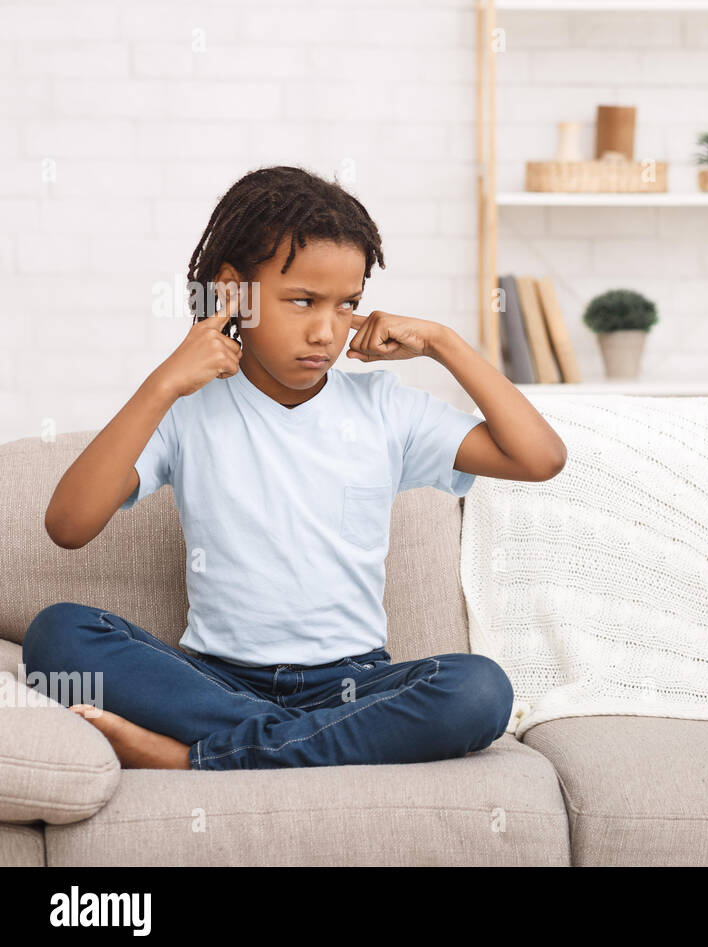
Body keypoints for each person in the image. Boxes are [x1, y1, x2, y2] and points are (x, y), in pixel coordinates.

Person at [24, 165, 568, 771]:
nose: (325, 331)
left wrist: (444, 343)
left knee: (478, 691)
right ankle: (297, 741)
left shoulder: (385, 408)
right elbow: (68, 524)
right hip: (215, 681)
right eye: (302, 301)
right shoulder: (186, 410)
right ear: (233, 292)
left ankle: (190, 758)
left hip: (354, 684)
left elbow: (539, 457)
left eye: (347, 306)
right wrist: (163, 382)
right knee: (58, 636)